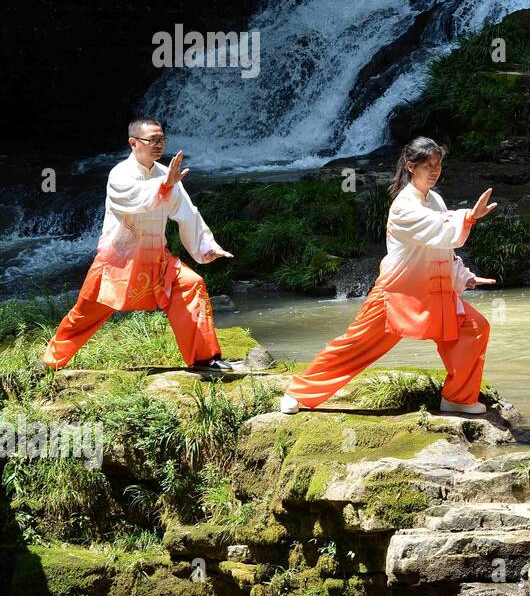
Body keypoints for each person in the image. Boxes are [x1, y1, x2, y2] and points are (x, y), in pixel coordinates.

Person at [280, 137, 496, 415]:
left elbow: (444, 249)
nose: (434, 171)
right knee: (355, 346)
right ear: (411, 166)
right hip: (397, 293)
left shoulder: (436, 199)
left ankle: (458, 397)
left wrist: (464, 277)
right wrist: (469, 216)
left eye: (438, 165)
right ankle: (298, 392)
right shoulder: (404, 204)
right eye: (428, 166)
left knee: (474, 328)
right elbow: (438, 228)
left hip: (435, 292)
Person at [43, 118, 233, 371]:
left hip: (157, 258)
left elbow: (188, 212)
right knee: (85, 313)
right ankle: (50, 361)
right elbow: (133, 199)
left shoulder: (167, 174)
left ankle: (204, 358)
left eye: (161, 140)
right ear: (133, 143)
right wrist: (165, 185)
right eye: (152, 140)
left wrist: (206, 245)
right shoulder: (120, 173)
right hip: (118, 260)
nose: (158, 145)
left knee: (191, 284)